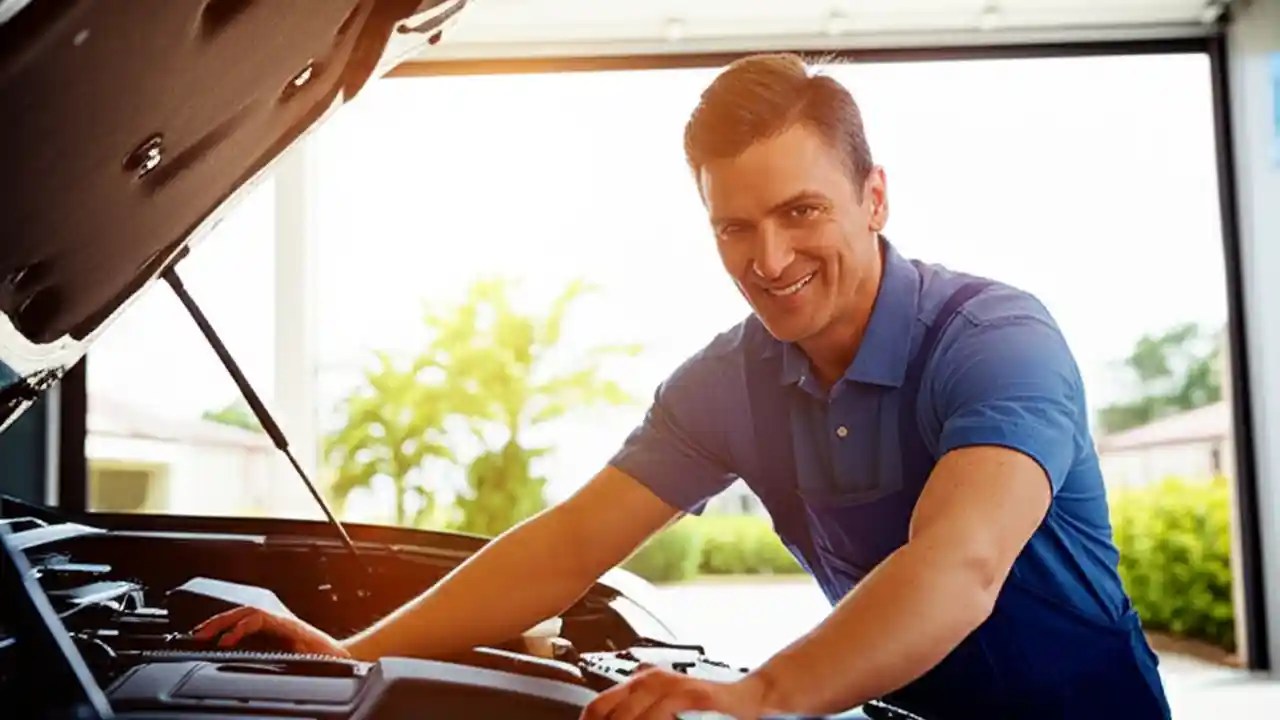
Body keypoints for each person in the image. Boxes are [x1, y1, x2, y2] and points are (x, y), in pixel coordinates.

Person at [192, 53, 1172, 719]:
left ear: (874, 198)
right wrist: (350, 650)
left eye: (800, 211)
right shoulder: (727, 381)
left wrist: (758, 694)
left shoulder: (996, 340)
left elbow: (957, 568)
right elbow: (566, 547)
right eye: (732, 227)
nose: (769, 258)